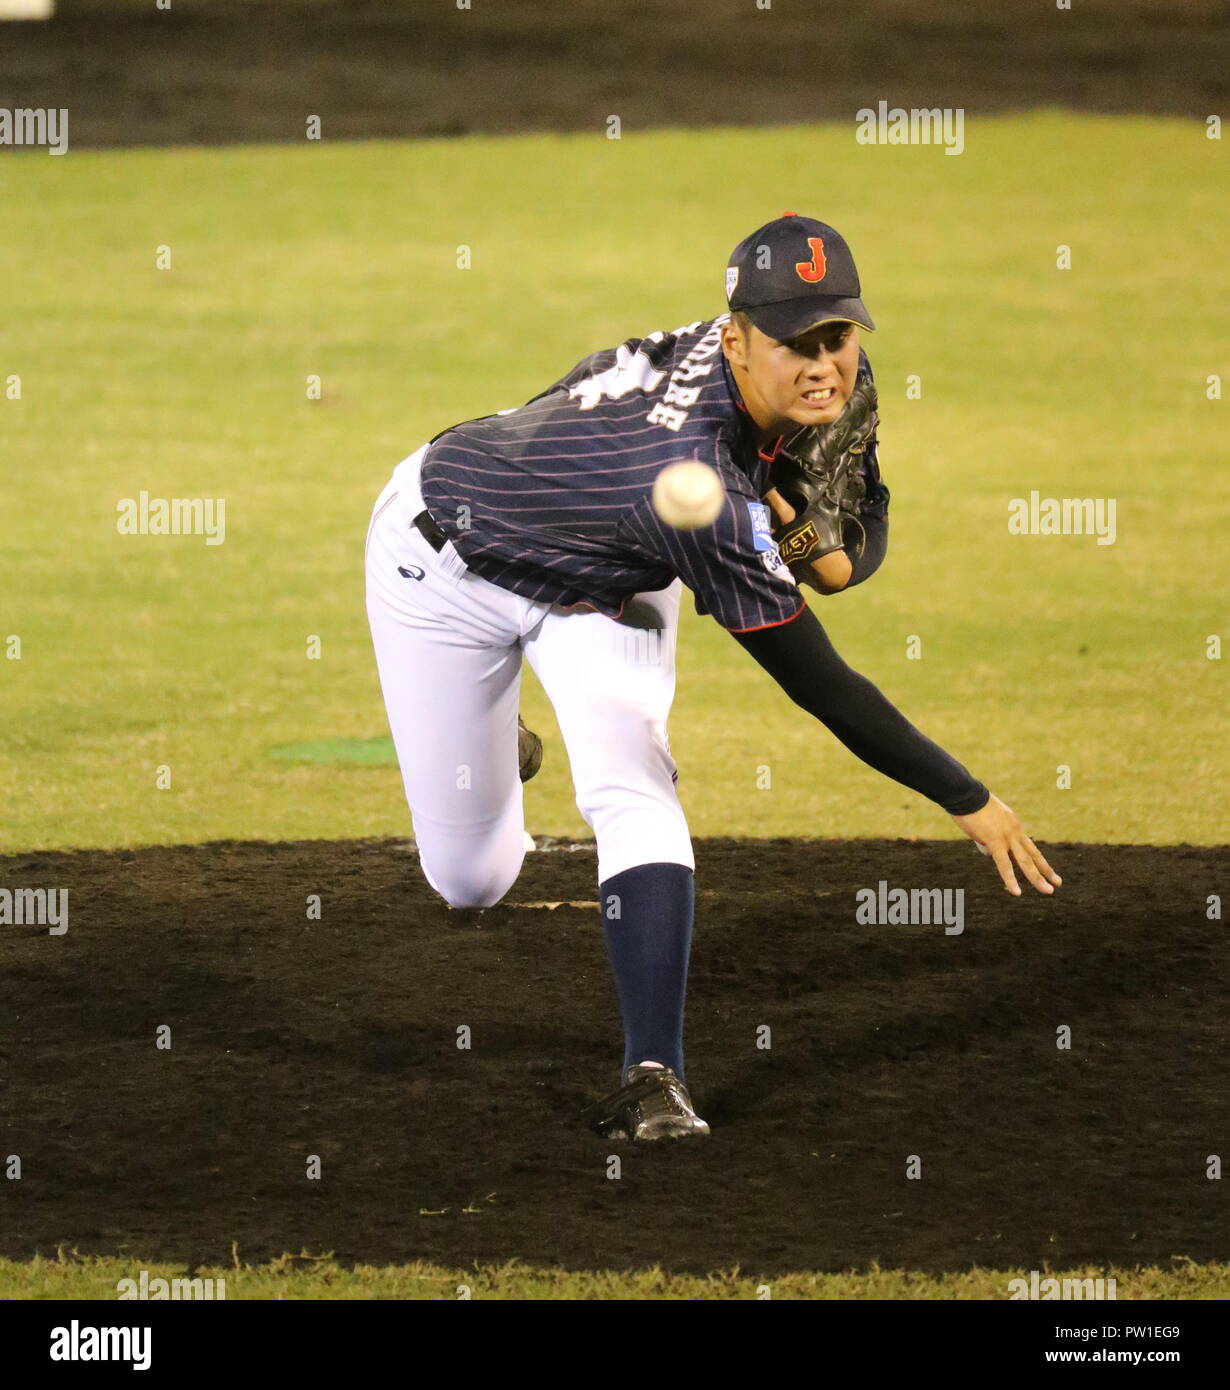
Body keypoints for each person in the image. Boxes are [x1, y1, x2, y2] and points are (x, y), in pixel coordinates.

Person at [364, 213, 1062, 1143]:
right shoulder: (695, 493)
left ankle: (652, 1078)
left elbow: (851, 545)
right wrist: (966, 796)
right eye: (794, 343)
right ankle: (496, 736)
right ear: (735, 338)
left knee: (632, 781)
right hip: (445, 562)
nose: (823, 364)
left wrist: (818, 542)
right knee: (471, 879)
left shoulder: (803, 384)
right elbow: (820, 683)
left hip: (612, 581)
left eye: (837, 335)